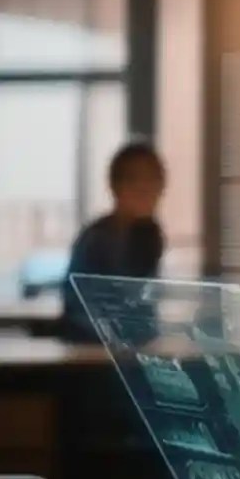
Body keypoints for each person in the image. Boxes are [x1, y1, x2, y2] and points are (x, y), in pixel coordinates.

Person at [58, 142, 167, 343]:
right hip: (90, 351)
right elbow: (79, 310)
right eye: (134, 180)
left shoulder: (150, 235)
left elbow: (145, 307)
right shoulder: (96, 239)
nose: (144, 189)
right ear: (115, 186)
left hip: (136, 350)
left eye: (153, 180)